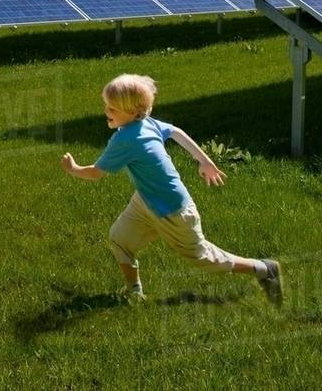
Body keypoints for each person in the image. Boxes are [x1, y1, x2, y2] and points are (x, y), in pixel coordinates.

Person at [61, 73, 281, 304]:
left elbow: (96, 173)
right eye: (106, 106)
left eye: (113, 108)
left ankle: (264, 269)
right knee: (119, 239)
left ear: (134, 111)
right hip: (145, 200)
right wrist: (203, 160)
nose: (107, 111)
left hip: (173, 211)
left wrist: (73, 168)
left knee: (204, 257)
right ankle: (135, 293)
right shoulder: (146, 123)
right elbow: (176, 132)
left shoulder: (125, 138)